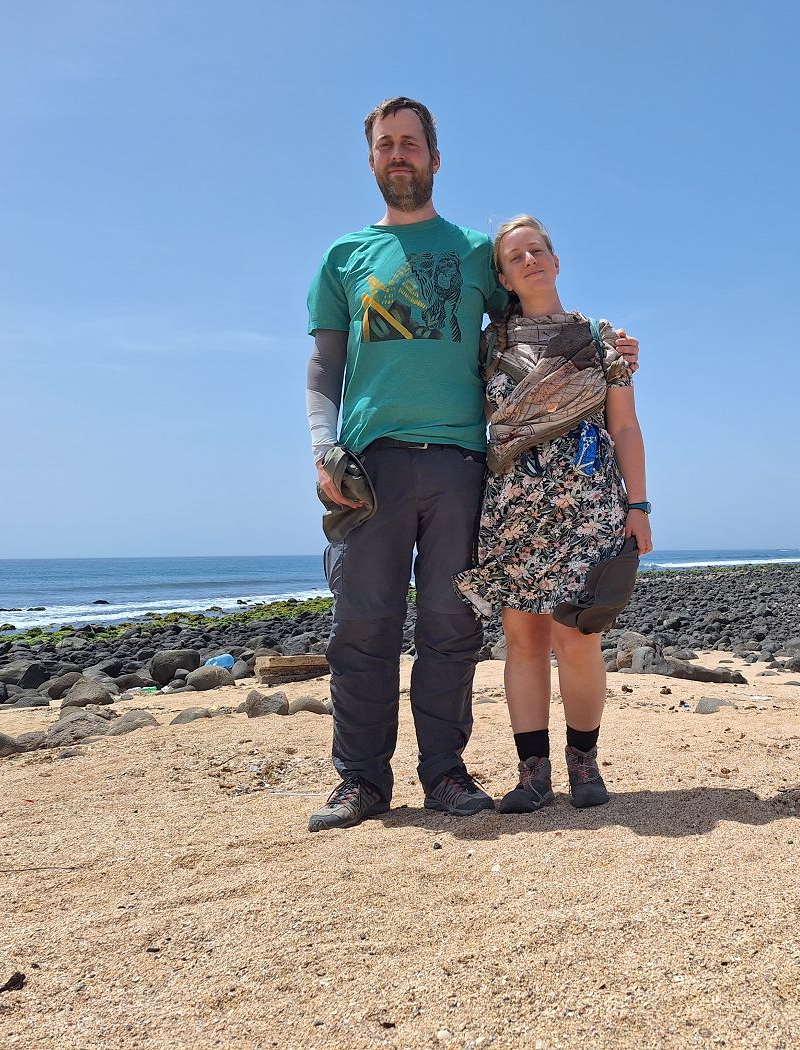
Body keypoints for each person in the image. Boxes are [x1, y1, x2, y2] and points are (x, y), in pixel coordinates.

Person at [303, 99, 638, 832]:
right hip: (368, 463)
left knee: (452, 627)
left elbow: (532, 308)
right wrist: (322, 443)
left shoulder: (470, 252)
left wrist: (606, 338)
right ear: (371, 160)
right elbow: (324, 365)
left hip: (462, 465)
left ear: (434, 158)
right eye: (386, 144)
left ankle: (445, 775)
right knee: (362, 625)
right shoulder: (342, 257)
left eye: (412, 143)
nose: (399, 155)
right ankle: (360, 782)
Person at [456, 215, 652, 813]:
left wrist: (639, 505)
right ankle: (532, 775)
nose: (530, 262)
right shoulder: (488, 345)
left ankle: (584, 765)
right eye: (516, 258)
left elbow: (624, 425)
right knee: (522, 638)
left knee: (578, 636)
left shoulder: (600, 339)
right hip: (515, 507)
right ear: (505, 277)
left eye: (537, 251)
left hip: (588, 505)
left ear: (556, 259)